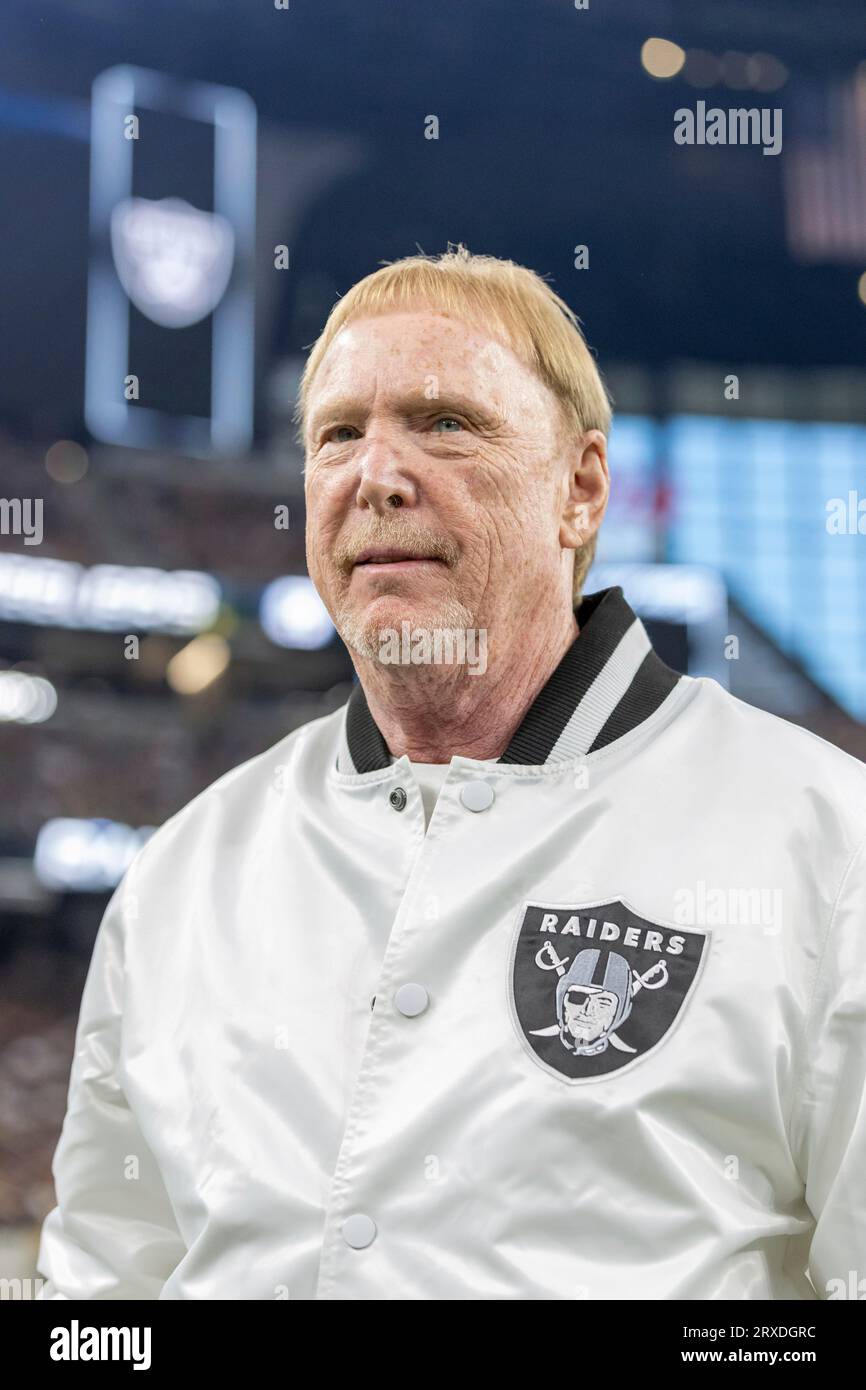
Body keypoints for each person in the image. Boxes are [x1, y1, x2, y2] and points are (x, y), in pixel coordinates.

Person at [38, 247, 866, 1300]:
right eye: (338, 434)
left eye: (444, 423)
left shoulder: (823, 842)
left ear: (579, 490)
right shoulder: (186, 871)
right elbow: (100, 1299)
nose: (375, 476)